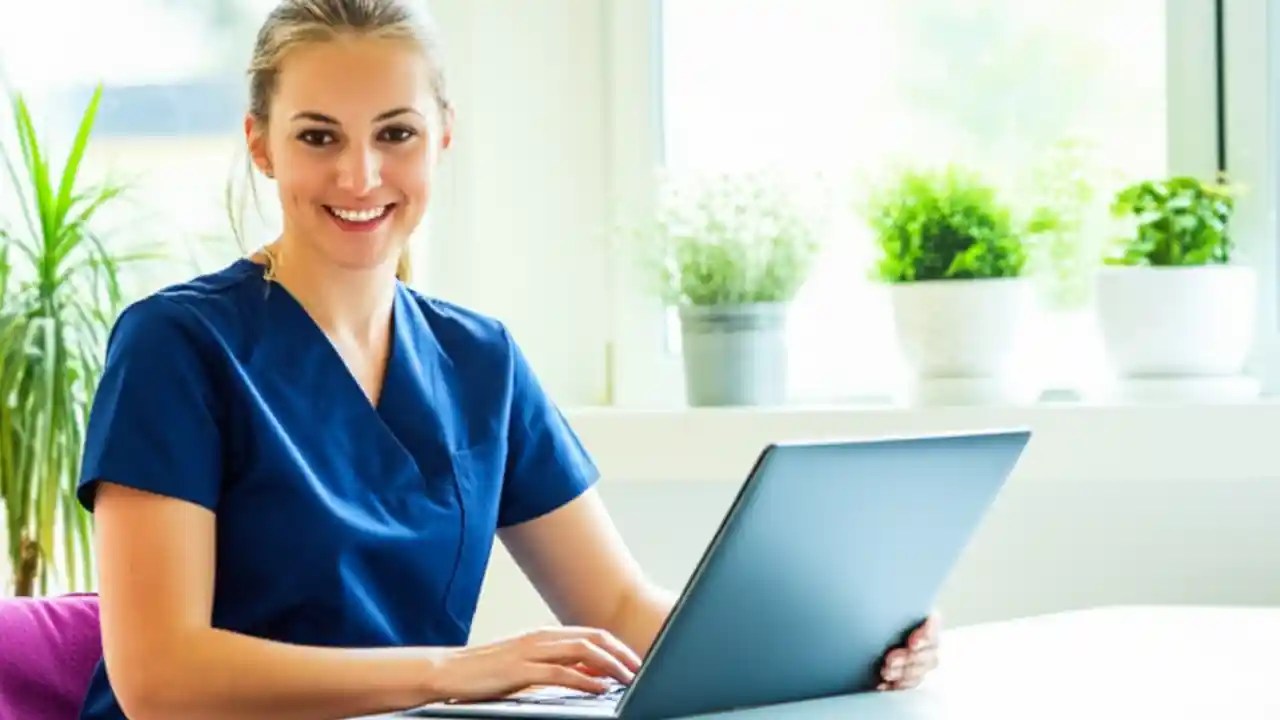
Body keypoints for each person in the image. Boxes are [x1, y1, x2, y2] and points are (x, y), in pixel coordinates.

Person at [74, 1, 940, 718]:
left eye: (396, 133)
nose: (361, 175)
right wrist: (453, 673)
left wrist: (839, 647)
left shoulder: (478, 360)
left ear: (443, 136)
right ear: (261, 144)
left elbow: (618, 607)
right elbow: (161, 681)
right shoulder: (176, 346)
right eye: (318, 137)